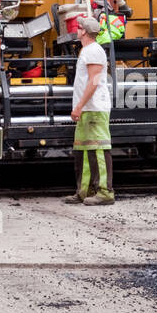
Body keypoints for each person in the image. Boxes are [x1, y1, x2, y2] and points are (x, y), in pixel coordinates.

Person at [66, 15, 115, 206]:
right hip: (87, 108)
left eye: (78, 28)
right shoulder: (88, 50)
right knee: (84, 149)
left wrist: (79, 106)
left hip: (94, 108)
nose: (76, 30)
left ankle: (105, 192)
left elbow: (94, 81)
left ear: (84, 32)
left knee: (99, 149)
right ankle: (85, 191)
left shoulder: (93, 51)